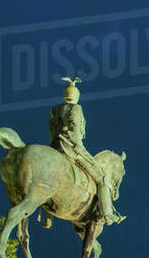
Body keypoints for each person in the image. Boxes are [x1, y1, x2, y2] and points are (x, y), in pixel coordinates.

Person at [48, 77, 124, 224]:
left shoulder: (55, 109)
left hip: (56, 145)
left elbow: (52, 128)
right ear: (76, 97)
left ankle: (47, 216)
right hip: (72, 147)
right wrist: (76, 143)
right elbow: (75, 127)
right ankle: (107, 214)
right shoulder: (75, 108)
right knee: (102, 178)